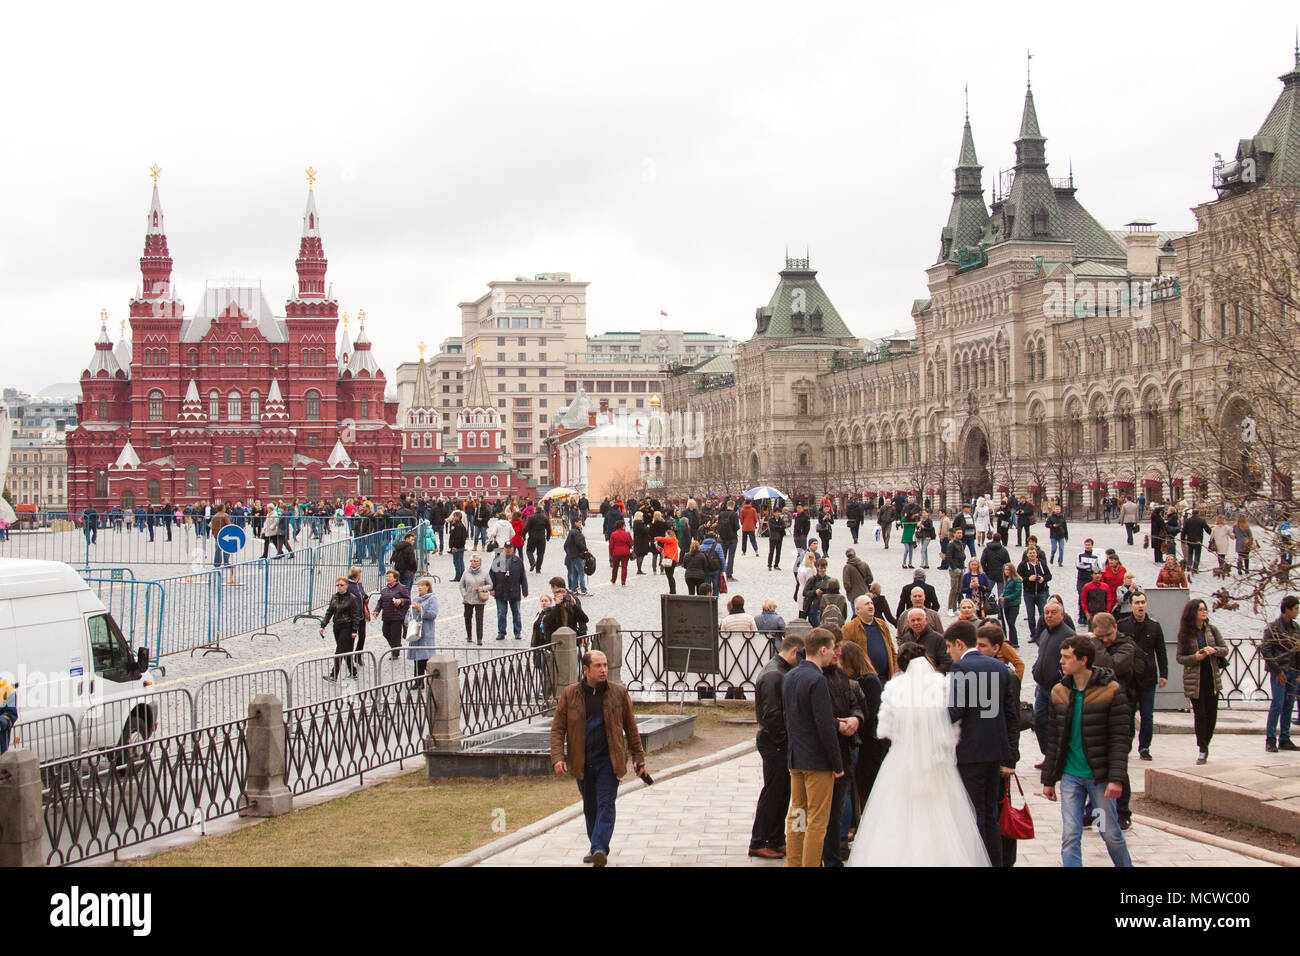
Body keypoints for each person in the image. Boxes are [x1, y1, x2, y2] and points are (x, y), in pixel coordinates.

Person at [848, 641, 991, 866]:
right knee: (942, 815)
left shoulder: (895, 688)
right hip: (935, 761)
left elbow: (885, 729)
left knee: (896, 814)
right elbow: (951, 723)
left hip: (902, 759)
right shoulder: (941, 685)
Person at [1040, 635, 1133, 867]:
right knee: (1070, 835)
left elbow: (1121, 739)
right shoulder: (1059, 692)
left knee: (1109, 833)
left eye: (1066, 657)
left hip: (1099, 779)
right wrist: (1049, 779)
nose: (1061, 662)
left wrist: (1116, 778)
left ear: (1083, 660)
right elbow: (1055, 739)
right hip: (1071, 777)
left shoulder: (1111, 690)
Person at [550, 649, 646, 867]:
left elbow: (631, 727)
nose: (604, 670)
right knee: (590, 806)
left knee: (606, 803)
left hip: (609, 761)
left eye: (605, 665)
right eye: (598, 666)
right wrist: (557, 758)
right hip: (582, 760)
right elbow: (558, 729)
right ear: (586, 669)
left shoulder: (618, 693)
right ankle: (596, 845)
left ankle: (599, 848)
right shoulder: (570, 694)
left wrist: (638, 756)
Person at [945, 619, 1018, 867]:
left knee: (974, 813)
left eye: (949, 647)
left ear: (958, 643)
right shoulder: (999, 667)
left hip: (970, 750)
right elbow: (1010, 712)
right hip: (995, 749)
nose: (948, 653)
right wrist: (1010, 753)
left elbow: (956, 710)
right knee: (990, 814)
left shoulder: (961, 669)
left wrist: (928, 716)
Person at [781, 628, 844, 867]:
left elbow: (790, 718)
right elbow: (825, 725)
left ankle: (794, 863)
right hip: (817, 761)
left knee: (798, 814)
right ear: (823, 649)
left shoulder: (790, 676)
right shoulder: (816, 679)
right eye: (832, 649)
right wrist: (837, 764)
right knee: (817, 821)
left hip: (796, 758)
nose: (834, 655)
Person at [749, 634, 803, 859]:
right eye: (801, 657)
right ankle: (758, 840)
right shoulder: (774, 674)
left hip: (777, 740)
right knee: (773, 791)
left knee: (782, 792)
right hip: (774, 741)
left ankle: (776, 838)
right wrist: (784, 742)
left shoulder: (780, 670)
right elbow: (771, 715)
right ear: (793, 652)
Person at [1175, 598, 1229, 764]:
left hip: (1211, 678)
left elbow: (1225, 649)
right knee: (1200, 715)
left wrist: (1214, 650)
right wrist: (1196, 657)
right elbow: (1180, 658)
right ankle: (1202, 748)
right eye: (1200, 610)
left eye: (1205, 609)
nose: (1204, 612)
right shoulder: (1186, 634)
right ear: (1193, 613)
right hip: (1195, 680)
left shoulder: (1212, 630)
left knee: (1212, 715)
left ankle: (1207, 742)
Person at [1031, 599, 1076, 759]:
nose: (1049, 616)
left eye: (1053, 613)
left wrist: (1062, 678)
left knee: (1058, 724)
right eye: (1047, 613)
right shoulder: (1044, 633)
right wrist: (1036, 668)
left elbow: (1072, 663)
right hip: (1042, 686)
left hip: (1059, 686)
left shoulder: (1069, 635)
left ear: (1062, 615)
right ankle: (1049, 755)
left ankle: (1060, 757)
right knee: (1039, 721)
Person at [1262, 596, 1300, 753]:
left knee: (1289, 705)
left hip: (1293, 671)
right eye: (1296, 608)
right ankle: (1270, 739)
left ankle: (1284, 738)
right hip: (1280, 672)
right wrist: (1277, 670)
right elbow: (1266, 650)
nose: (1298, 611)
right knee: (1277, 704)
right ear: (1287, 610)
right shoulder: (1273, 628)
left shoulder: (1296, 627)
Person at [842, 594, 897, 679]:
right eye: (867, 604)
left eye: (871, 603)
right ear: (857, 610)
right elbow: (844, 657)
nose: (871, 606)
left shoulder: (882, 625)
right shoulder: (848, 629)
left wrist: (894, 671)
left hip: (886, 678)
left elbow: (892, 650)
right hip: (866, 680)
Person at [318, 577, 361, 681]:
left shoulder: (352, 598)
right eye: (338, 585)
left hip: (347, 627)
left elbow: (356, 615)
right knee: (346, 651)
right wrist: (323, 625)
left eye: (342, 585)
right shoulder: (334, 597)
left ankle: (334, 675)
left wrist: (355, 630)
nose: (339, 587)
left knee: (339, 651)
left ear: (346, 586)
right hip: (337, 627)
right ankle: (353, 672)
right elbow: (329, 612)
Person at [489, 542, 529, 641]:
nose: (508, 549)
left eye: (510, 547)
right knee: (501, 613)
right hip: (500, 591)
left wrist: (525, 590)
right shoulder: (497, 560)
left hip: (514, 591)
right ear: (503, 549)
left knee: (516, 613)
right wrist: (491, 588)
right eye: (506, 548)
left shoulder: (518, 561)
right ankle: (501, 632)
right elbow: (492, 575)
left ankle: (517, 632)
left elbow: (522, 576)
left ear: (513, 548)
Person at [405, 578, 439, 678]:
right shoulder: (415, 599)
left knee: (425, 657)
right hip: (415, 632)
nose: (419, 587)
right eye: (418, 586)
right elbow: (409, 612)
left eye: (422, 585)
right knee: (416, 657)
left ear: (428, 587)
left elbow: (433, 614)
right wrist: (407, 621)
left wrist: (421, 610)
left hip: (425, 632)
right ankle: (418, 681)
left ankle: (430, 678)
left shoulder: (432, 599)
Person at [902, 606, 950, 672]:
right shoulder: (906, 638)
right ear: (908, 623)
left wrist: (932, 675)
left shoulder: (938, 639)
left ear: (926, 620)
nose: (916, 623)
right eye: (913, 620)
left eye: (919, 620)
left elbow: (946, 663)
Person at [1018, 544, 1051, 639]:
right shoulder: (1023, 565)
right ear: (1027, 554)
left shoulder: (1042, 563)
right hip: (1029, 593)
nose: (1032, 554)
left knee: (1043, 614)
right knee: (1031, 615)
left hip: (1041, 592)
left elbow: (1049, 576)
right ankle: (1033, 634)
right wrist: (1028, 579)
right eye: (1030, 553)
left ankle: (1044, 633)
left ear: (1037, 554)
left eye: (1034, 553)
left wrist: (1043, 579)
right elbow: (1018, 577)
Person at [459, 554, 491, 645]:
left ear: (479, 563)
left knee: (479, 619)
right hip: (468, 600)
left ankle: (479, 638)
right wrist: (464, 594)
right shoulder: (466, 573)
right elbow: (461, 585)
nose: (473, 563)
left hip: (479, 600)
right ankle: (469, 636)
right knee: (467, 618)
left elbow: (490, 585)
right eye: (472, 561)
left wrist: (483, 588)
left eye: (475, 561)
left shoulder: (484, 573)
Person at [563, 519, 590, 595]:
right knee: (581, 572)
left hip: (571, 556)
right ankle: (583, 590)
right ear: (575, 523)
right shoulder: (576, 532)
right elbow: (579, 543)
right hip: (576, 556)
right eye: (579, 522)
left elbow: (565, 545)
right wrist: (586, 549)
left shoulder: (572, 532)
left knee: (574, 573)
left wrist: (569, 553)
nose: (581, 524)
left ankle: (573, 589)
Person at [1000, 563, 1023, 647]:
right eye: (1005, 570)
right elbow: (1005, 590)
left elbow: (1017, 593)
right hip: (1007, 604)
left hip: (1014, 604)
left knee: (1011, 622)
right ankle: (1011, 640)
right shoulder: (1007, 579)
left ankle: (1014, 641)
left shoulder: (1016, 580)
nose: (1006, 571)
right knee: (1008, 622)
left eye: (1008, 570)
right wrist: (1002, 595)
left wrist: (1006, 598)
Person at [654, 525, 680, 595]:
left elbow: (664, 539)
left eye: (666, 535)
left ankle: (673, 591)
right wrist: (658, 547)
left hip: (671, 560)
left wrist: (656, 538)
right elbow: (664, 551)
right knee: (669, 576)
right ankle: (672, 590)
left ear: (669, 535)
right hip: (668, 559)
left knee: (670, 576)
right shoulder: (669, 542)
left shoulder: (672, 540)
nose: (665, 536)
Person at [945, 530, 966, 615]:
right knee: (954, 589)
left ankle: (954, 608)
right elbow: (949, 557)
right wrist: (954, 568)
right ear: (954, 534)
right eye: (958, 533)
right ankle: (950, 608)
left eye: (961, 533)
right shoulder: (951, 544)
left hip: (961, 567)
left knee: (958, 589)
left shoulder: (960, 543)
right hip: (955, 569)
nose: (960, 534)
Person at [524, 507, 551, 573]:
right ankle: (538, 569)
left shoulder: (531, 517)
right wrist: (548, 537)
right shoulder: (545, 518)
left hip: (532, 536)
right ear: (541, 511)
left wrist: (523, 535)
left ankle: (532, 562)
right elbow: (548, 529)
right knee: (540, 553)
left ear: (535, 510)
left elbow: (527, 528)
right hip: (541, 537)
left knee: (529, 551)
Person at [608, 519, 633, 586]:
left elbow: (611, 546)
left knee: (615, 567)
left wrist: (611, 553)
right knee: (624, 567)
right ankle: (623, 581)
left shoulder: (613, 534)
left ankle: (613, 579)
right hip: (625, 552)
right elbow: (631, 543)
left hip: (616, 553)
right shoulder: (627, 534)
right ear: (623, 526)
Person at [447, 510, 468, 582]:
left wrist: (455, 546)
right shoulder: (461, 525)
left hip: (457, 546)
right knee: (461, 561)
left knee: (457, 562)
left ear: (458, 517)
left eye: (454, 516)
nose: (453, 517)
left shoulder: (458, 526)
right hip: (461, 546)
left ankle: (458, 576)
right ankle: (462, 576)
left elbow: (457, 537)